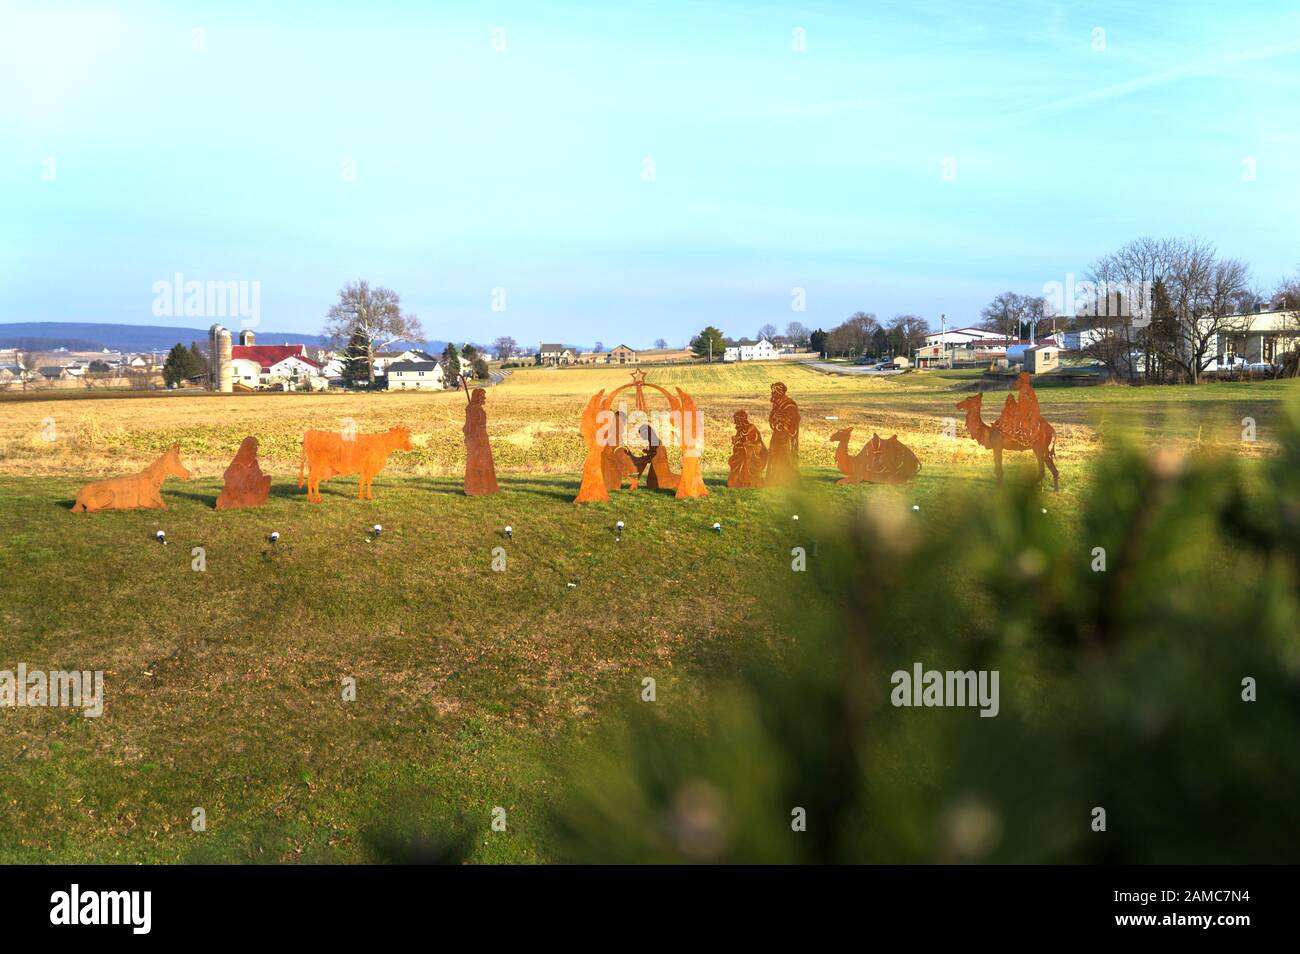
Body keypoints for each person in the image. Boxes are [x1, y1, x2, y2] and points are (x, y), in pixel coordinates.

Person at [463, 387, 499, 495]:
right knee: (477, 463)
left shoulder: (476, 409)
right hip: (478, 440)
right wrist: (476, 438)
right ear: (477, 397)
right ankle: (476, 488)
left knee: (485, 464)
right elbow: (470, 426)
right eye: (482, 396)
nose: (484, 398)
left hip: (483, 438)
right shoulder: (473, 410)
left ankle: (487, 487)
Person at [765, 382, 801, 486]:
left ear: (780, 392)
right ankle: (775, 480)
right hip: (777, 436)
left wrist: (783, 421)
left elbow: (793, 422)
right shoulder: (777, 404)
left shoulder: (790, 405)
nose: (772, 394)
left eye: (774, 392)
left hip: (786, 438)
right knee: (775, 457)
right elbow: (772, 420)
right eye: (772, 392)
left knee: (786, 458)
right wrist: (776, 421)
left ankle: (788, 480)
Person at [727, 410, 767, 488]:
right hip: (743, 453)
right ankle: (739, 481)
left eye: (736, 421)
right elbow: (740, 442)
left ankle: (746, 482)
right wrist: (736, 441)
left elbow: (755, 443)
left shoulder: (751, 429)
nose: (735, 423)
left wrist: (743, 444)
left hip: (754, 454)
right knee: (737, 460)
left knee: (744, 462)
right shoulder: (740, 430)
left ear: (741, 420)